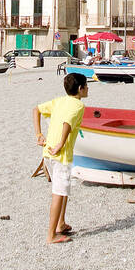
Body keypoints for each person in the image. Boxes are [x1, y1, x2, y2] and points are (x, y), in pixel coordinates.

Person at [34, 73, 89, 245]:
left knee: (63, 190)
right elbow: (67, 122)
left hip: (48, 153)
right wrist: (61, 143)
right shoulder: (79, 105)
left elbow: (36, 109)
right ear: (80, 89)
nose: (88, 89)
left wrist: (39, 134)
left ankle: (61, 223)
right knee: (58, 192)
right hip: (61, 155)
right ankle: (51, 235)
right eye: (86, 86)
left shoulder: (60, 101)